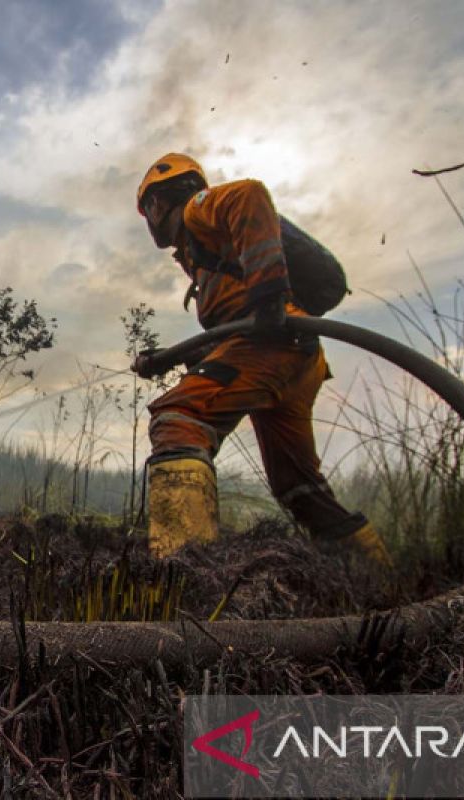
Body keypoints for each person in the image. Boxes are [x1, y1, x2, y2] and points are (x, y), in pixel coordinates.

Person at [131, 152, 391, 567]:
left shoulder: (199, 211)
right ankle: (378, 576)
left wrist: (269, 297)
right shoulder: (202, 254)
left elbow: (249, 194)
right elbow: (232, 330)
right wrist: (166, 360)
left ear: (157, 204)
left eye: (147, 210)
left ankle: (184, 573)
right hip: (294, 357)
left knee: (178, 416)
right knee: (298, 487)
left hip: (277, 345)